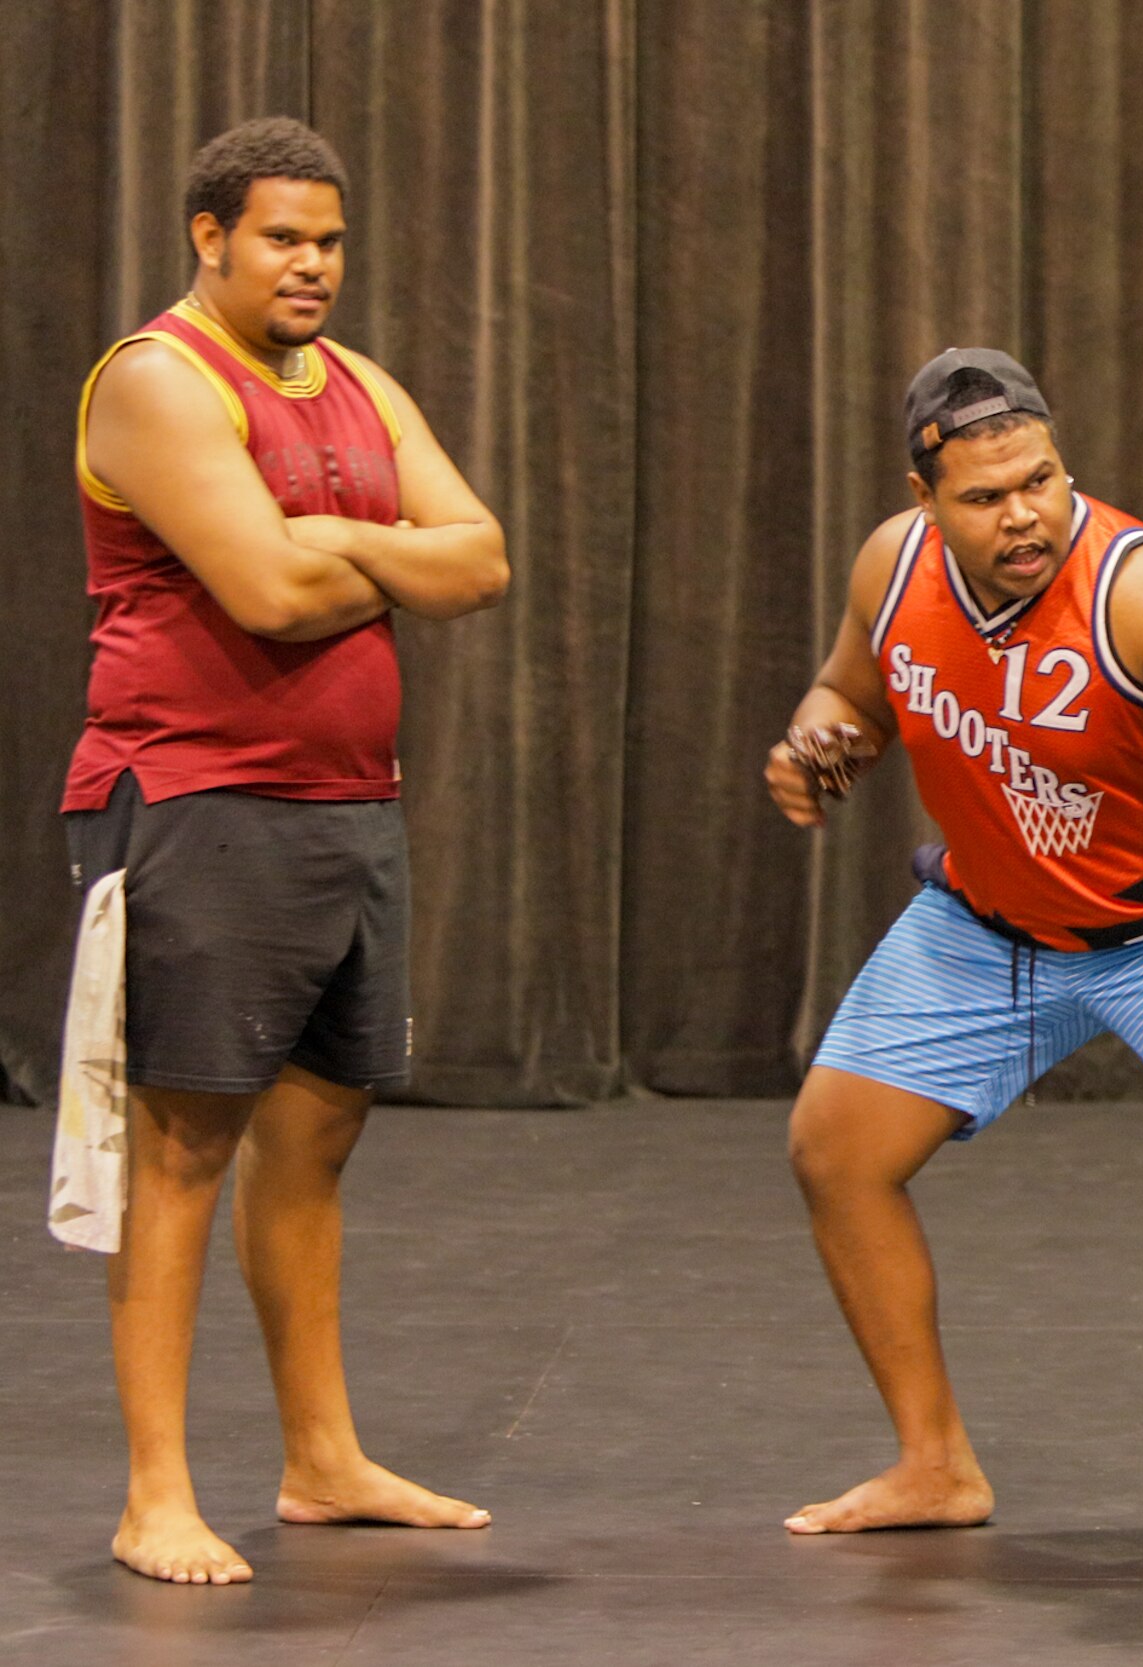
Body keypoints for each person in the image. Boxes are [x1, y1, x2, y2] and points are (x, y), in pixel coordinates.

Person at [763, 348, 1143, 1570]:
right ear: (926, 497)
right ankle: (933, 1462)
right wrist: (812, 748)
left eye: (1039, 480)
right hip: (989, 925)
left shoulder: (1142, 590)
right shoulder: (891, 567)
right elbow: (850, 694)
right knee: (834, 1152)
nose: (1024, 514)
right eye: (988, 496)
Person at [64, 117, 510, 1585]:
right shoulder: (155, 381)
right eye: (280, 237)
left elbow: (486, 558)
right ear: (210, 237)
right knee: (186, 1146)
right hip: (197, 801)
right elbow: (262, 590)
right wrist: (381, 545)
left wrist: (337, 531)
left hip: (347, 803)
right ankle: (154, 1492)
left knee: (316, 1138)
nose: (311, 263)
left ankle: (321, 1458)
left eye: (326, 238)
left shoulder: (360, 382)